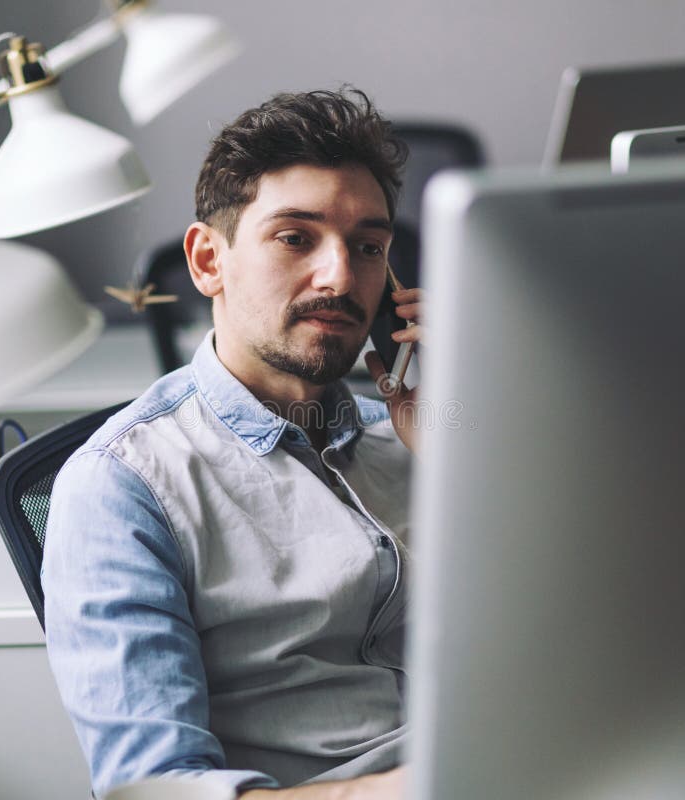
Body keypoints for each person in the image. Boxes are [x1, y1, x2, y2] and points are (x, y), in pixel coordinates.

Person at [42, 87, 423, 799]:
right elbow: (152, 791)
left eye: (368, 247)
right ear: (208, 261)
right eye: (295, 237)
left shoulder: (412, 438)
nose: (340, 275)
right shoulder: (121, 486)